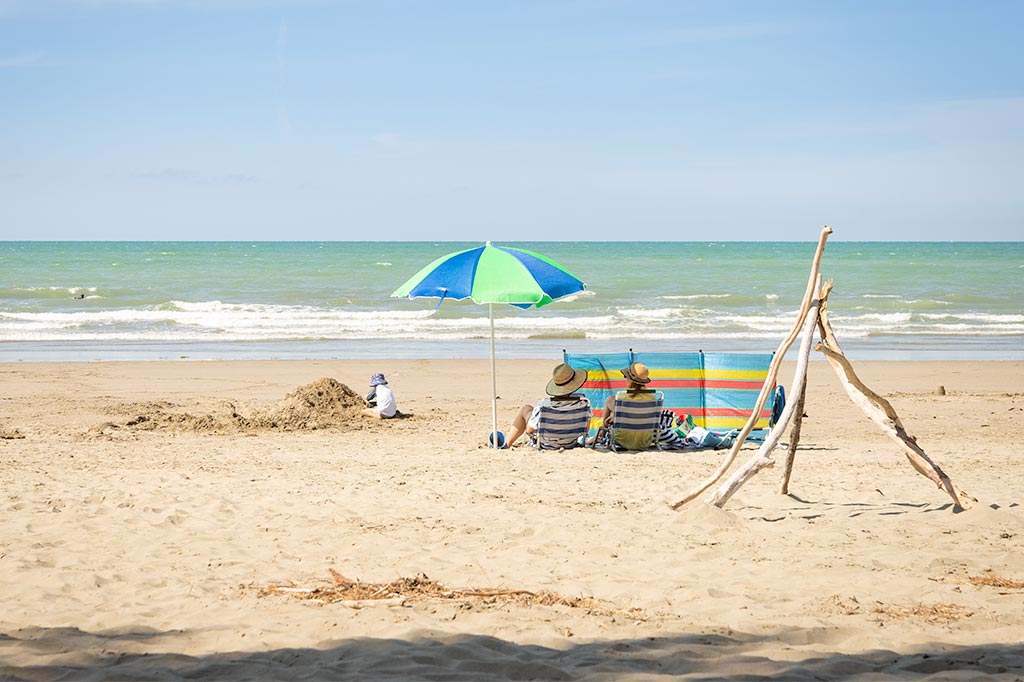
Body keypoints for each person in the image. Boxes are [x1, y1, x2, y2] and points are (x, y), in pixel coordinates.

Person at [504, 363, 589, 448]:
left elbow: (530, 430)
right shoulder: (583, 402)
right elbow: (586, 429)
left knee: (526, 409)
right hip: (570, 443)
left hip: (546, 444)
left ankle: (507, 444)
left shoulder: (544, 405)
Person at [595, 362, 658, 450]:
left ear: (631, 379)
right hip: (645, 441)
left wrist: (613, 415)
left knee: (610, 399)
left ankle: (601, 435)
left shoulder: (622, 398)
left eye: (625, 377)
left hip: (622, 440)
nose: (624, 379)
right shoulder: (652, 398)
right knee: (614, 404)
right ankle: (601, 434)